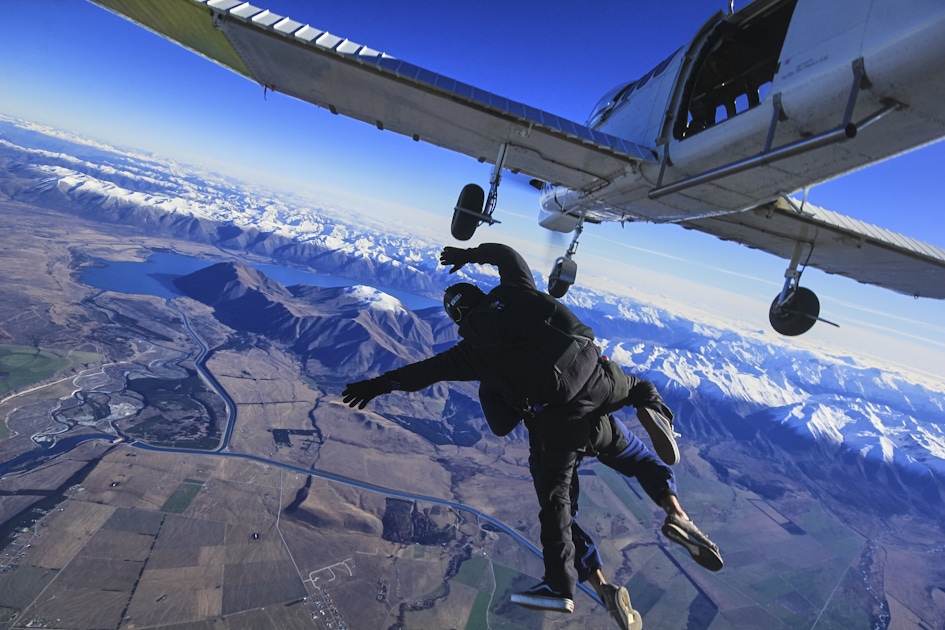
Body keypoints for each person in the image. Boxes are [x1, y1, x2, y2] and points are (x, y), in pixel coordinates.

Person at [342, 243, 720, 625]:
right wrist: (469, 253)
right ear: (480, 294)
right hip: (595, 382)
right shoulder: (514, 289)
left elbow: (427, 375)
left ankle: (575, 585)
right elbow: (509, 256)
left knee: (558, 509)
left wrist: (378, 384)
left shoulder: (471, 353)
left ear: (457, 318)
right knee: (640, 421)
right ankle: (675, 506)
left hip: (558, 429)